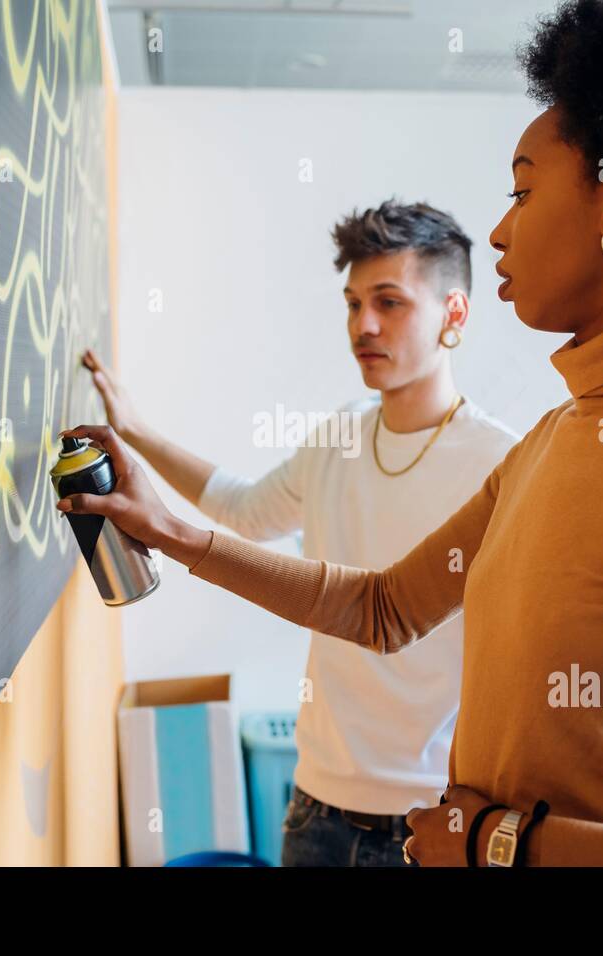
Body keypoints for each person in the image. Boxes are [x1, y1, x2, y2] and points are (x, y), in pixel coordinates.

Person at [60, 0, 603, 866]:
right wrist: (168, 529)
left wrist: (503, 843)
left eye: (523, 190)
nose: (499, 228)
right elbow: (380, 610)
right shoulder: (549, 443)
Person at [80, 201, 518, 866]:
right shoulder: (342, 432)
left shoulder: (502, 463)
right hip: (316, 808)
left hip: (436, 820)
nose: (363, 326)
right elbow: (245, 508)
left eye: (390, 302)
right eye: (352, 303)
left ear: (454, 313)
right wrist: (136, 434)